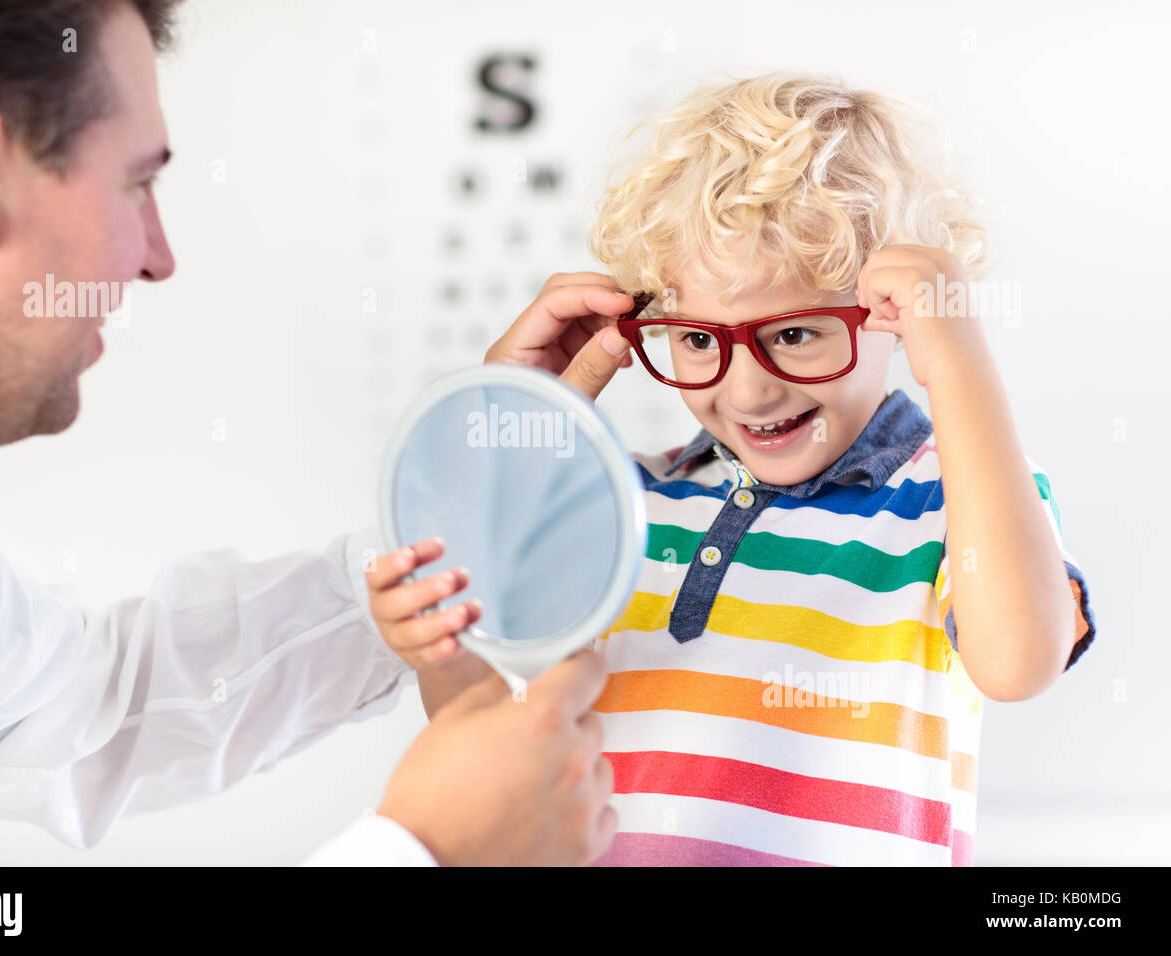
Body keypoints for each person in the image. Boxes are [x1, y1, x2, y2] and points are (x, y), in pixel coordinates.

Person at [0, 0, 630, 866]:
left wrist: (455, 524)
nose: (158, 256)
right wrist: (425, 848)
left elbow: (93, 707)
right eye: (135, 182)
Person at [372, 72, 1099, 866]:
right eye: (697, 340)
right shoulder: (616, 503)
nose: (747, 388)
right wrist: (449, 622)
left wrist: (957, 355)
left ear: (896, 317)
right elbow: (484, 721)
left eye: (794, 335)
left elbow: (1020, 661)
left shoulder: (957, 499)